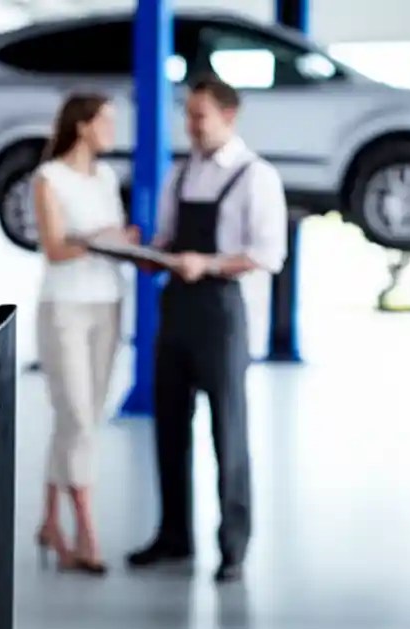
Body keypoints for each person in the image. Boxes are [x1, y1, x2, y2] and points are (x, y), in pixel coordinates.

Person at [125, 74, 288, 583]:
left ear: (228, 116)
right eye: (188, 116)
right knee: (169, 429)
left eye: (199, 116)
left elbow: (268, 254)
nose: (190, 126)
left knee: (228, 431)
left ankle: (233, 548)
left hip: (220, 313)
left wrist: (209, 264)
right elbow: (170, 238)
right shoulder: (182, 172)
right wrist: (151, 253)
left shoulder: (255, 176)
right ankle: (174, 537)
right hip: (175, 307)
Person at [32, 92, 134, 576]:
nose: (112, 131)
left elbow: (103, 241)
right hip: (65, 307)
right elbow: (56, 249)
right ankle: (86, 534)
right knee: (78, 418)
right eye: (106, 122)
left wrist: (104, 242)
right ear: (82, 126)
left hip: (108, 302)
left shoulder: (107, 177)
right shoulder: (48, 179)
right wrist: (100, 240)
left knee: (81, 416)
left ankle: (50, 521)